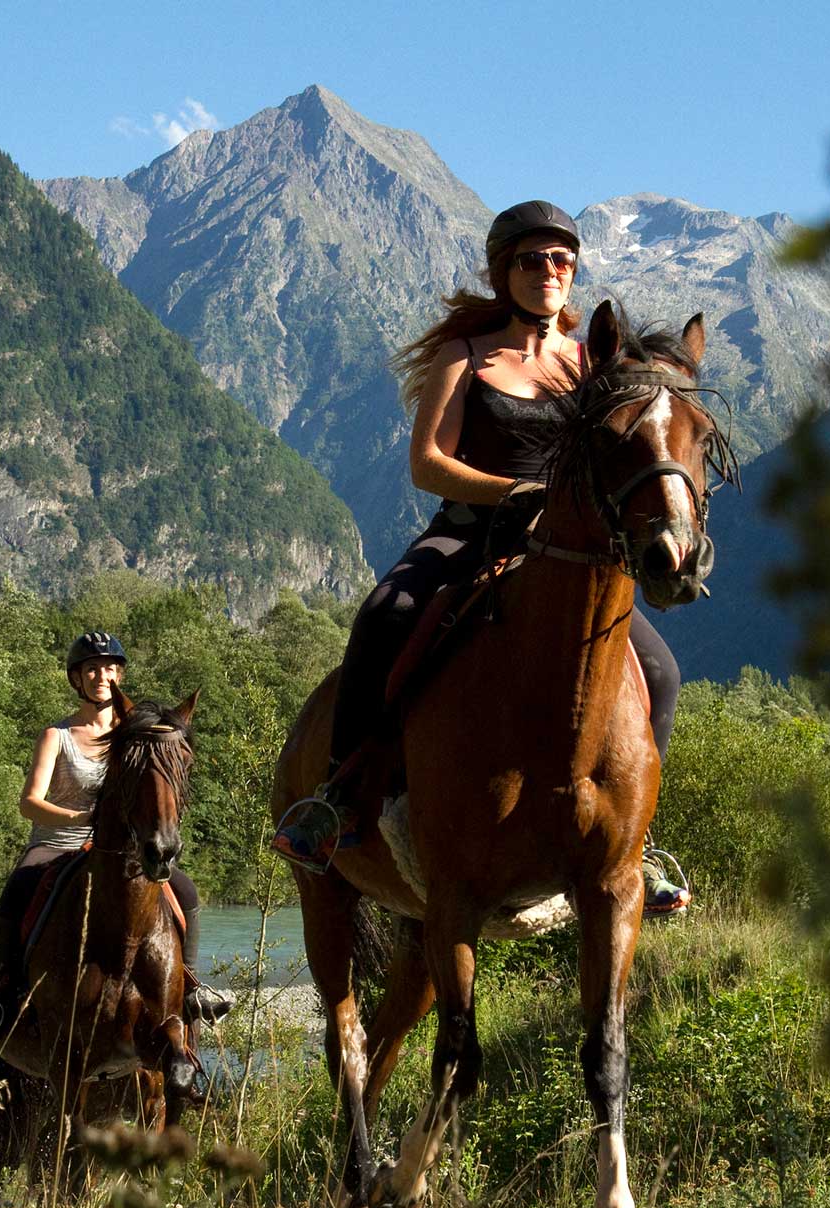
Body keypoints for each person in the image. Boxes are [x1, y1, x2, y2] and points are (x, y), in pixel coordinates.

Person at [272, 200, 689, 912]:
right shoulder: (464, 357)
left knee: (661, 669)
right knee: (386, 612)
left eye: (562, 259)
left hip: (570, 551)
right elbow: (428, 463)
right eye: (532, 259)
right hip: (468, 533)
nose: (549, 271)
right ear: (504, 272)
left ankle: (635, 842)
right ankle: (337, 800)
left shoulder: (595, 364)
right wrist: (515, 492)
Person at [0, 632, 227, 1044]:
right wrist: (84, 815)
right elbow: (30, 802)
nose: (101, 675)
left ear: (119, 674)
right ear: (77, 679)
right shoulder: (57, 735)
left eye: (109, 668)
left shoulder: (136, 732)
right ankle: (2, 992)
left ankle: (190, 987)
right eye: (92, 669)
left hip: (121, 851)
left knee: (186, 891)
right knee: (18, 889)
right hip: (58, 843)